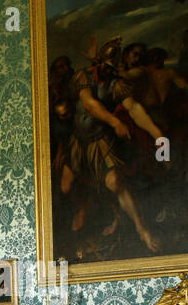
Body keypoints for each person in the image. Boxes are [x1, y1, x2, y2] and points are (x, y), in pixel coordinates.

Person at [64, 38, 160, 253]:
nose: (104, 71)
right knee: (66, 186)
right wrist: (115, 121)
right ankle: (85, 209)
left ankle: (141, 228)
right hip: (78, 142)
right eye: (102, 66)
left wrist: (157, 133)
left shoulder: (117, 84)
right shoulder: (83, 77)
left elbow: (134, 107)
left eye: (110, 67)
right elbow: (90, 105)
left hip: (101, 141)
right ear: (96, 62)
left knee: (115, 182)